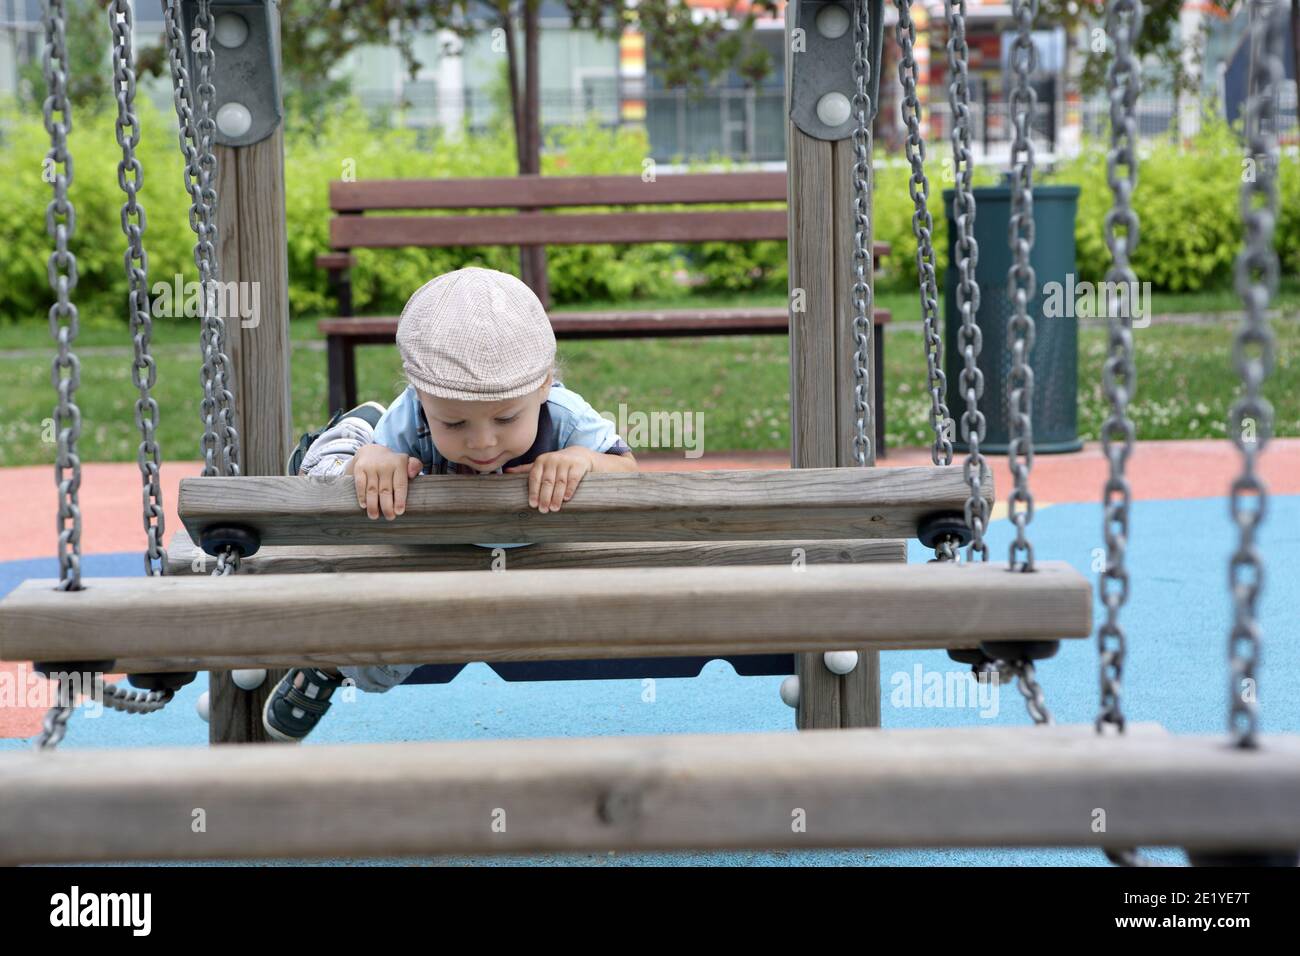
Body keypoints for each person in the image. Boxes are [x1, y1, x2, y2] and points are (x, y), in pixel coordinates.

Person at [264, 267, 637, 742]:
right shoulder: (412, 416)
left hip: (518, 559)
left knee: (403, 647)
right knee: (375, 657)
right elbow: (362, 500)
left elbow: (628, 472)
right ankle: (348, 436)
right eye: (454, 424)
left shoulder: (564, 417)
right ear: (421, 398)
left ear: (544, 386)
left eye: (505, 417)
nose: (482, 443)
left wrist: (584, 461)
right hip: (435, 552)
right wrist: (374, 459)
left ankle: (333, 664)